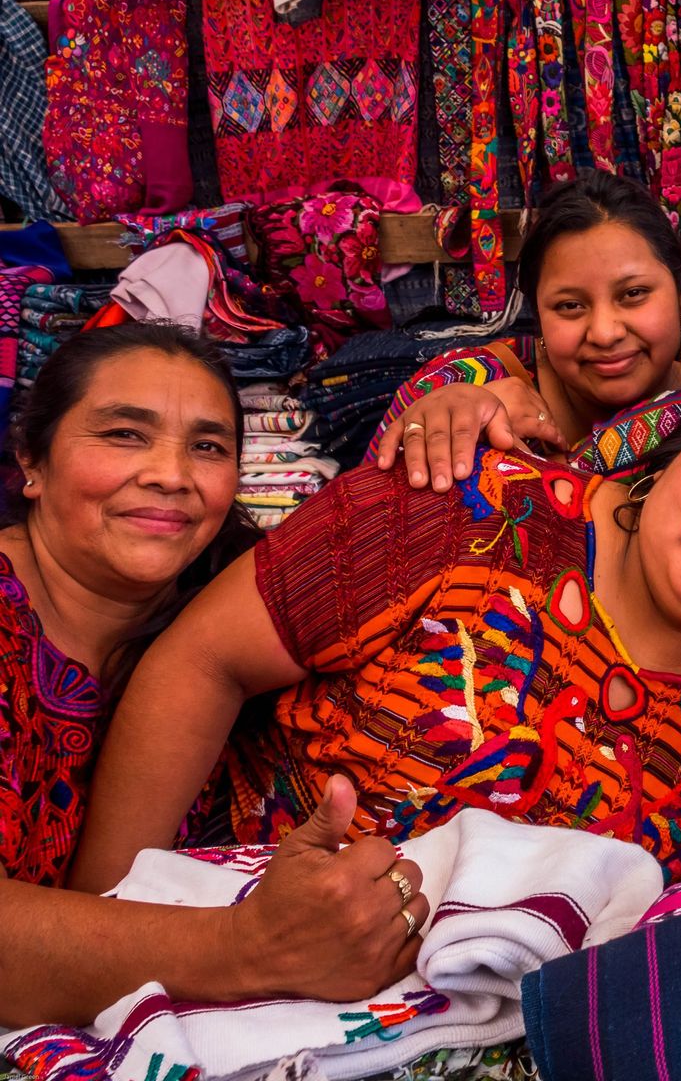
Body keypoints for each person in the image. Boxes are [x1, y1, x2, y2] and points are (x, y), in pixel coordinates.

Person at [72, 361, 681, 895]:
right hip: (219, 935)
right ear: (668, 456)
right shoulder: (460, 508)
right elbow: (206, 661)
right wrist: (112, 922)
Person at [0, 324, 427, 1027]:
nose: (172, 474)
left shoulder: (230, 615)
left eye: (207, 447)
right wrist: (248, 949)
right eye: (124, 435)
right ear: (31, 461)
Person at [367, 170, 681, 492]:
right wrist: (467, 434)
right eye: (570, 306)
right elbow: (363, 517)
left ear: (680, 291)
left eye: (633, 294)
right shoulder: (456, 384)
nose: (604, 333)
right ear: (538, 313)